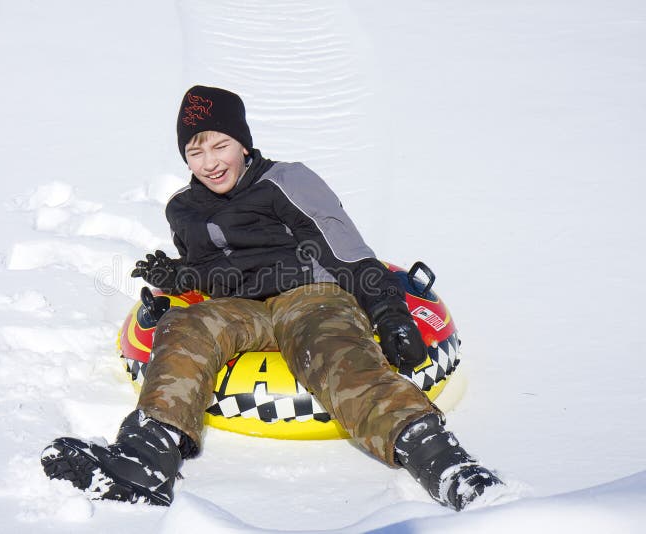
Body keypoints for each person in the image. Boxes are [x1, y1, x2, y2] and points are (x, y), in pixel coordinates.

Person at [41, 85, 504, 511]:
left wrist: (388, 311)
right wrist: (180, 276)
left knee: (332, 348)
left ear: (243, 143)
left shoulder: (287, 181)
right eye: (195, 152)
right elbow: (213, 273)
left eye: (220, 145)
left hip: (309, 294)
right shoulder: (183, 208)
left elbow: (347, 251)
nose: (210, 162)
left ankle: (445, 465)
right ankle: (143, 461)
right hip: (243, 309)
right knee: (184, 326)